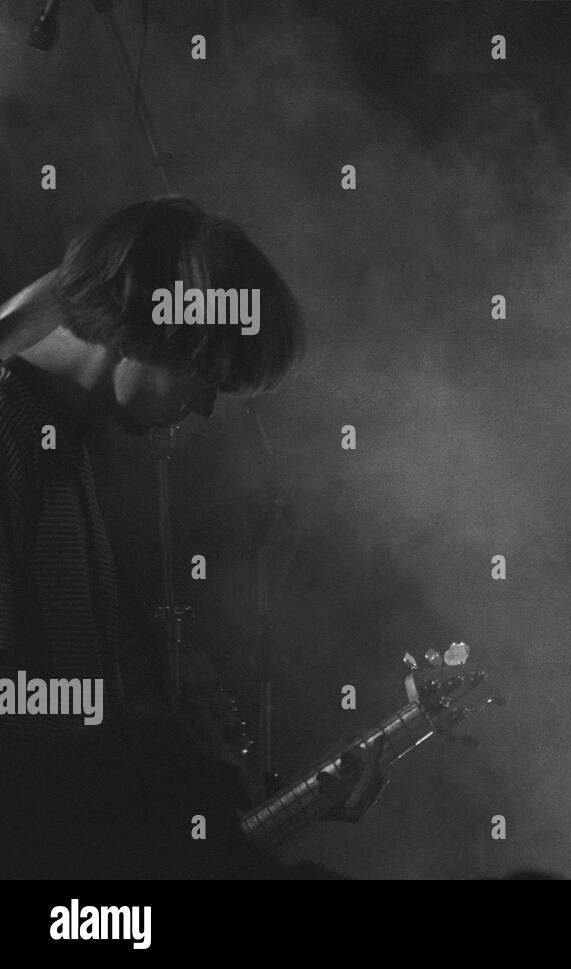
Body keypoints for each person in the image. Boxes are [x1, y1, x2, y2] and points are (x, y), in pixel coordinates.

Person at [0, 196, 381, 878]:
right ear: (145, 329)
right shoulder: (9, 431)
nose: (202, 405)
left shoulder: (56, 436)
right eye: (203, 376)